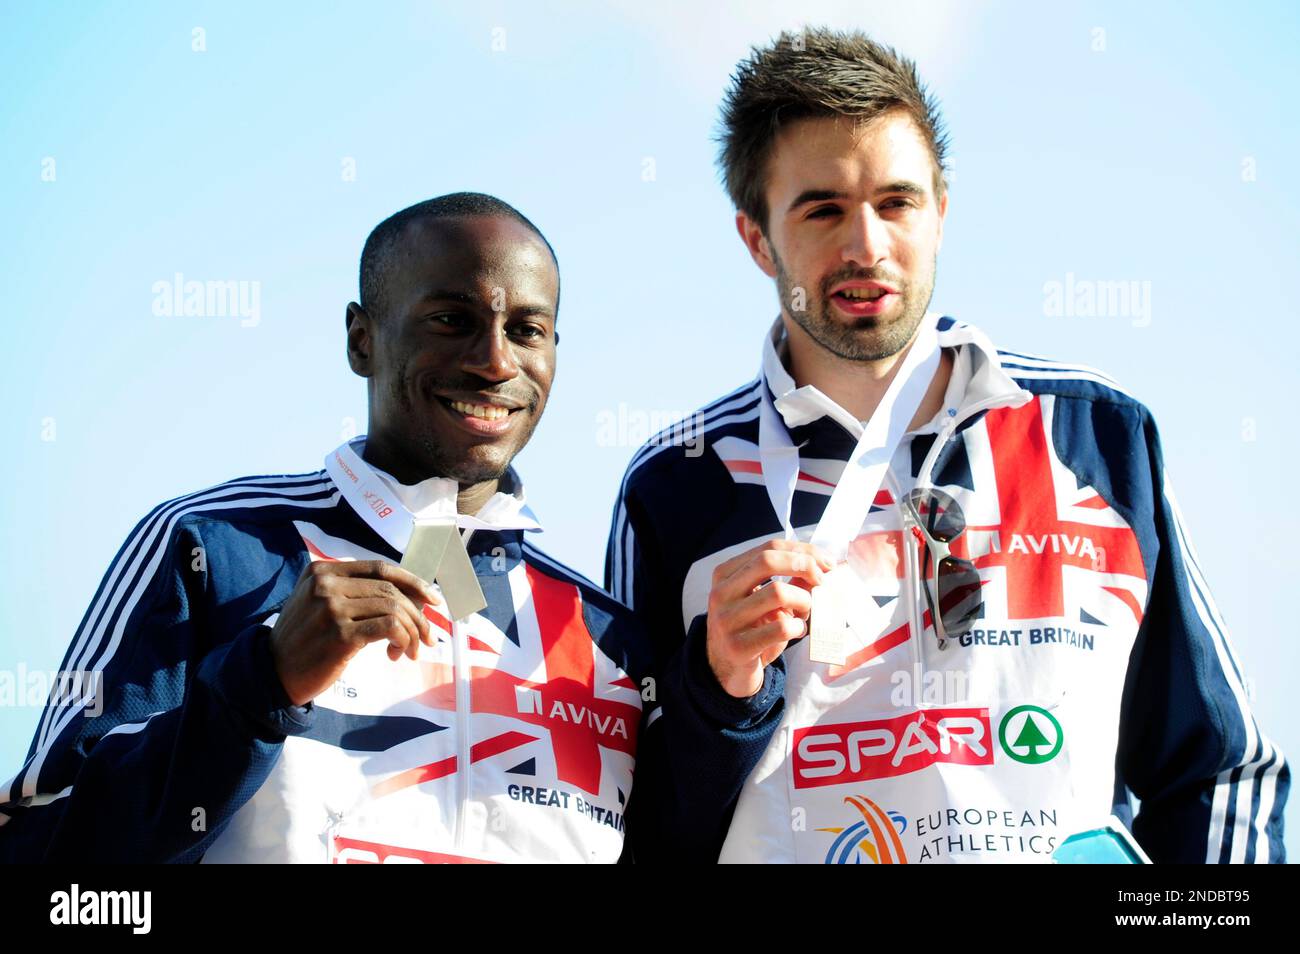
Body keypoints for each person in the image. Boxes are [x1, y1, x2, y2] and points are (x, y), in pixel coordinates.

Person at [605, 28, 1288, 864]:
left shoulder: (1096, 433)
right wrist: (715, 693)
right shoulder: (674, 485)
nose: (867, 245)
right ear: (757, 239)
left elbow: (1222, 774)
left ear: (941, 212)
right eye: (822, 209)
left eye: (897, 202)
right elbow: (629, 834)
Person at [0, 192, 766, 863]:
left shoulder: (608, 638)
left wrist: (728, 698)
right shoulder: (213, 549)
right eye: (450, 319)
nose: (495, 361)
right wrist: (260, 684)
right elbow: (38, 846)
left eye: (528, 329)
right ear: (361, 338)